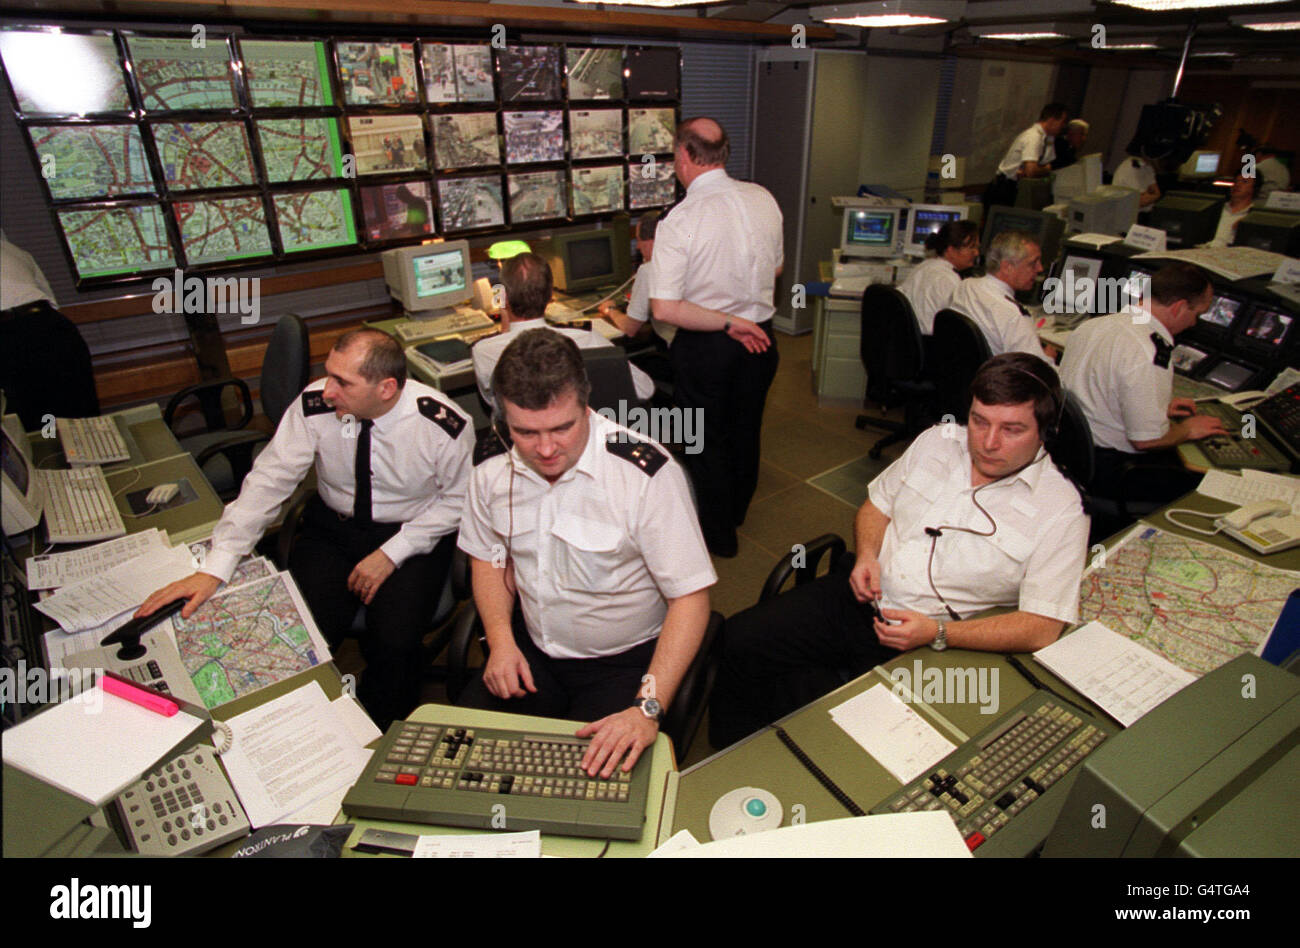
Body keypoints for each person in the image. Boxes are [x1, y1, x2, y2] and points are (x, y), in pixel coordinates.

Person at [709, 353, 1089, 749]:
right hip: (860, 595)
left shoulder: (1061, 510)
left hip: (932, 640)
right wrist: (868, 555)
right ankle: (725, 759)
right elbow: (877, 506)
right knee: (737, 641)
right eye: (979, 421)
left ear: (1047, 430)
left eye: (1012, 429)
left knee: (856, 738)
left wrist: (939, 633)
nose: (988, 443)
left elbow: (1041, 627)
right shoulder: (937, 441)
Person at [137, 329, 473, 730]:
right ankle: (301, 729)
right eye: (328, 374)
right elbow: (270, 479)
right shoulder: (315, 406)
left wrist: (393, 553)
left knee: (395, 645)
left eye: (342, 382)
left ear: (386, 388)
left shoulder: (441, 424)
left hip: (412, 534)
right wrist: (217, 563)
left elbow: (458, 501)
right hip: (334, 530)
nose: (327, 390)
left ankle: (377, 734)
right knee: (299, 633)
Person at [457, 329, 716, 777]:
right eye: (525, 431)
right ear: (501, 416)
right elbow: (488, 556)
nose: (545, 448)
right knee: (466, 763)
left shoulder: (644, 475)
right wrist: (499, 641)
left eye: (562, 427)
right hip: (531, 648)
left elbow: (691, 599)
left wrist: (646, 707)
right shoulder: (490, 468)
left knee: (581, 794)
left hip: (624, 663)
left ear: (586, 404)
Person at [649, 116, 783, 557]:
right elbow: (776, 269)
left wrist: (726, 320)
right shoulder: (763, 198)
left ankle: (718, 536)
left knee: (702, 440)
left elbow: (665, 309)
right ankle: (738, 511)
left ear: (685, 156)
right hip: (761, 340)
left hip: (710, 345)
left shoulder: (679, 219)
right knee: (745, 429)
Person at [1059, 261, 1227, 507]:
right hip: (1115, 472)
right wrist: (1189, 428)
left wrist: (1159, 408)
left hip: (1074, 457)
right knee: (1208, 483)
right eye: (1196, 315)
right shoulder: (1148, 351)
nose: (1194, 324)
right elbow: (1146, 440)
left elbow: (1100, 394)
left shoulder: (1095, 325)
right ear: (1179, 307)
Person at [472, 251, 654, 412]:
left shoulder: (484, 351)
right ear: (551, 296)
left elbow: (496, 406)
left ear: (502, 298)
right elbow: (645, 388)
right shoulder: (588, 340)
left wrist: (505, 331)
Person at [0, 232, 99, 430]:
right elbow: (51, 301)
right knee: (79, 415)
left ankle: (53, 453)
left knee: (29, 423)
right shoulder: (13, 251)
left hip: (11, 338)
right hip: (53, 329)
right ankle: (93, 454)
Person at [948, 230, 1054, 360]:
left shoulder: (965, 286)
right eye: (1033, 263)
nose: (1040, 268)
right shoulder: (1014, 317)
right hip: (998, 377)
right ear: (1007, 267)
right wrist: (1048, 358)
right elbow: (1035, 371)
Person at [897, 220, 981, 335]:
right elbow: (961, 326)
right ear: (951, 250)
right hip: (931, 344)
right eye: (971, 248)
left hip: (911, 338)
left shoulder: (924, 266)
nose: (976, 253)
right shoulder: (948, 279)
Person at [983, 103, 1069, 212]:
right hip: (1004, 189)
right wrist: (1047, 169)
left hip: (1017, 187)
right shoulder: (1033, 137)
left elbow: (1045, 163)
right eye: (1062, 122)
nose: (1063, 126)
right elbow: (1031, 171)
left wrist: (1044, 168)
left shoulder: (1048, 138)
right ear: (1051, 120)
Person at [1206, 172, 1257, 248]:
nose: (1237, 185)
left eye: (1244, 182)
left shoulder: (1254, 215)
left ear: (1254, 188)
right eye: (1235, 181)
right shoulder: (1215, 208)